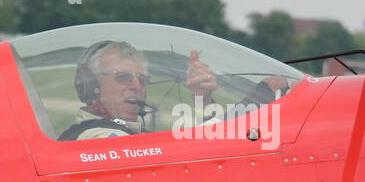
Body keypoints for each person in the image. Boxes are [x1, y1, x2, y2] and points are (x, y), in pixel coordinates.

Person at [58, 40, 285, 141]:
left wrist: (202, 98)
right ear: (91, 85)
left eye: (143, 80)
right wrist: (262, 95)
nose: (137, 86)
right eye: (123, 77)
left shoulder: (127, 134)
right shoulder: (99, 138)